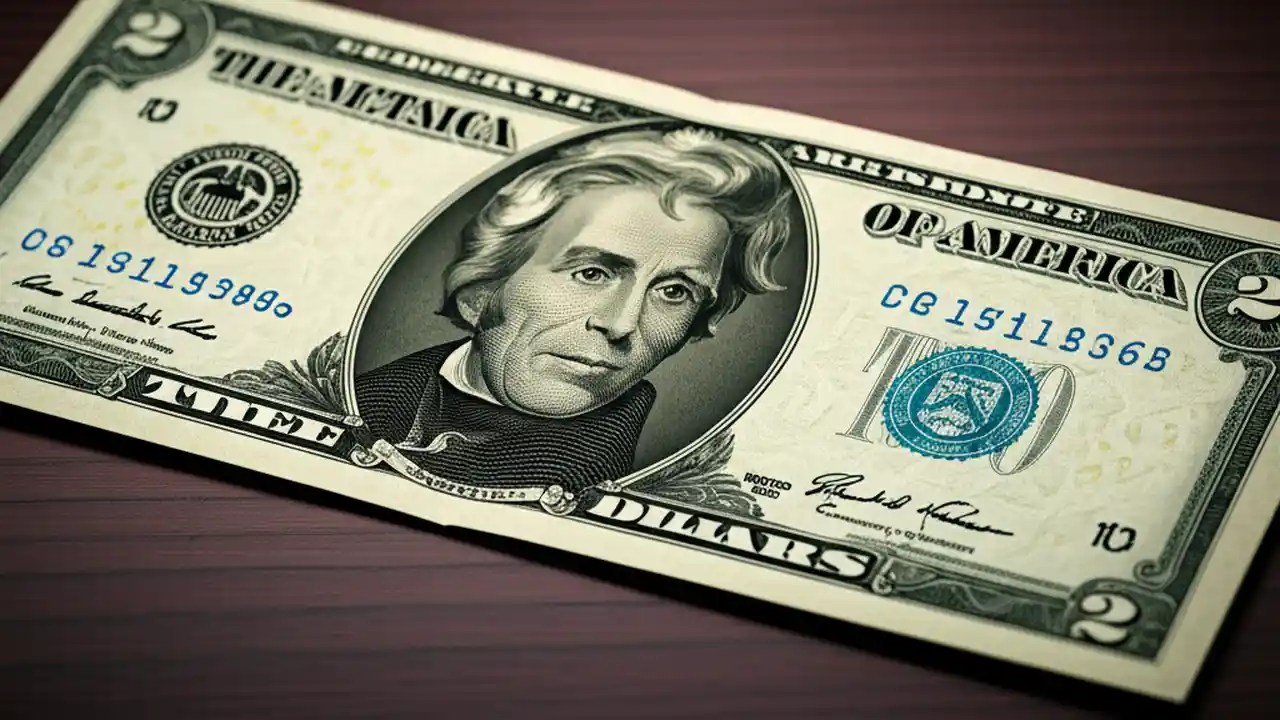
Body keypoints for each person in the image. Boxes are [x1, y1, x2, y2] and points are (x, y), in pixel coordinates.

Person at [354, 125, 795, 493]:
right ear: (483, 290)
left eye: (674, 292)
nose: (621, 323)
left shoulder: (583, 475)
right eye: (591, 273)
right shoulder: (372, 394)